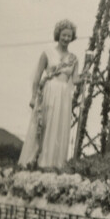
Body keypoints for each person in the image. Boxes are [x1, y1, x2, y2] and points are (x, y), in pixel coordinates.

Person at [19, 19, 83, 168]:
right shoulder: (47, 53)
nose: (66, 38)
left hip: (64, 96)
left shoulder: (74, 59)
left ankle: (52, 164)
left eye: (69, 36)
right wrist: (33, 97)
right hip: (48, 92)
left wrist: (85, 76)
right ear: (58, 35)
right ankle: (34, 161)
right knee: (43, 125)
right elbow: (37, 77)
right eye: (64, 35)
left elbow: (75, 80)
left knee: (58, 127)